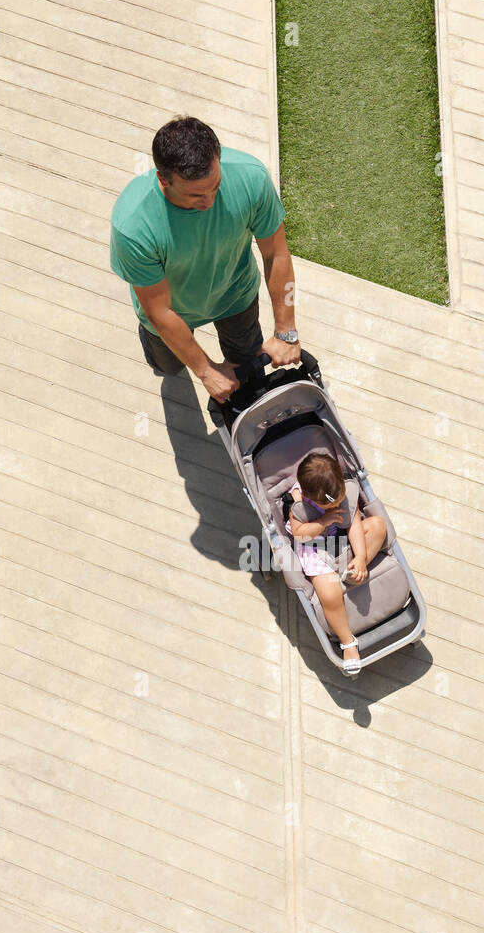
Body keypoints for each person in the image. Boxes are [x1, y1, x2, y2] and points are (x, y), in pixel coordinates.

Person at [109, 115, 301, 404]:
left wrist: (286, 331)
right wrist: (206, 370)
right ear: (163, 179)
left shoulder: (251, 178)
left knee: (249, 372)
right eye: (196, 195)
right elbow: (160, 311)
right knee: (169, 366)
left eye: (215, 186)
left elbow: (276, 253)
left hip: (236, 296)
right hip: (172, 312)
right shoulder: (134, 226)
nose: (209, 201)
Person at [286, 451, 388, 676]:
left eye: (341, 497)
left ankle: (354, 569)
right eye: (334, 502)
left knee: (378, 526)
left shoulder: (339, 489)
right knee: (329, 595)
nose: (340, 502)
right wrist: (322, 521)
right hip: (316, 549)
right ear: (315, 500)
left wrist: (360, 557)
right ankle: (348, 643)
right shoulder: (299, 504)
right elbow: (300, 534)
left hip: (343, 544)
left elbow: (353, 524)